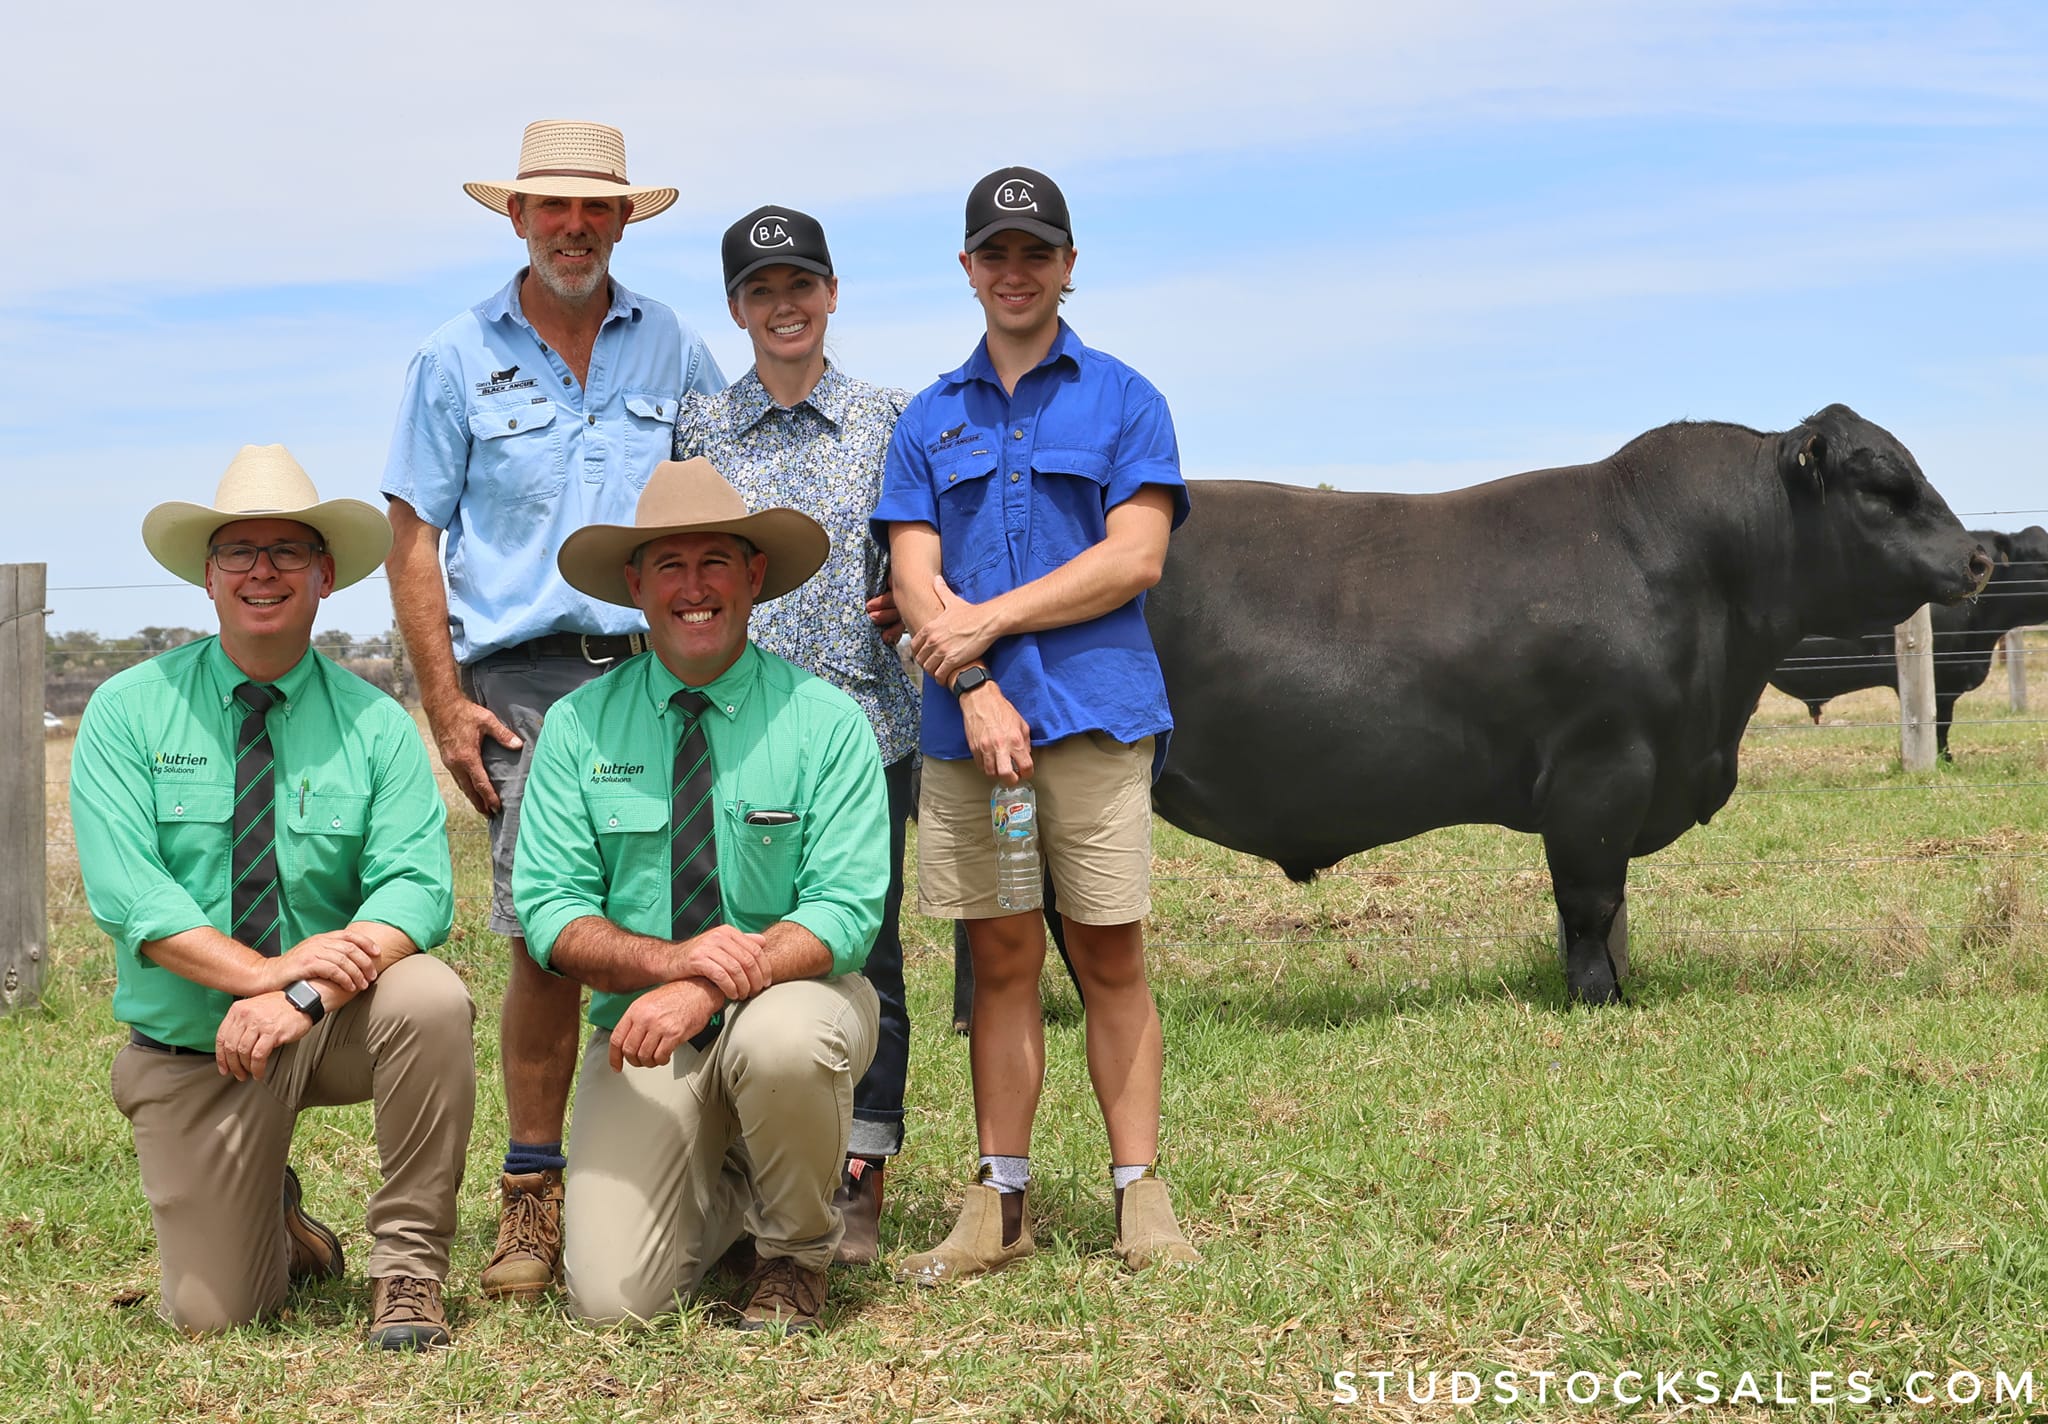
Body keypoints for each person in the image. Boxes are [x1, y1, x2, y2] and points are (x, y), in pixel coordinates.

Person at [379, 118, 725, 1301]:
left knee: (684, 896)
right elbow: (414, 532)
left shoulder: (673, 342)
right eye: (551, 207)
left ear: (624, 220)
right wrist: (444, 702)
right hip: (521, 680)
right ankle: (532, 1192)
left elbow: (720, 499)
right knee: (543, 928)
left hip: (656, 663)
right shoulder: (453, 353)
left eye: (596, 208)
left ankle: (687, 1166)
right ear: (515, 219)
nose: (573, 226)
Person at [70, 445, 475, 1349]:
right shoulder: (128, 710)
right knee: (220, 1317)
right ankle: (281, 1224)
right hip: (192, 1048)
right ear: (206, 577)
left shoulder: (374, 723)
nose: (263, 570)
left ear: (326, 576)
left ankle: (406, 1270)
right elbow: (132, 897)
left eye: (288, 551)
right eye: (239, 552)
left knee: (432, 1000)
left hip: (323, 1024)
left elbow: (417, 889)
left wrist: (302, 992)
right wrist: (263, 972)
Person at [874, 166, 1201, 1281]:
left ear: (1067, 265)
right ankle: (998, 1201)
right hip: (974, 736)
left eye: (1036, 253)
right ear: (966, 269)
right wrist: (973, 682)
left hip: (1095, 717)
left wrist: (986, 626)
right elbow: (911, 573)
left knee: (1111, 952)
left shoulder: (1124, 398)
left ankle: (1138, 1192)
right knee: (998, 957)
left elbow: (1134, 556)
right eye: (994, 255)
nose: (1014, 273)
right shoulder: (928, 418)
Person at [513, 457, 888, 1332]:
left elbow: (846, 910)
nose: (694, 588)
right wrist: (670, 964)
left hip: (798, 1004)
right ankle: (739, 1186)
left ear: (754, 576)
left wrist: (709, 981)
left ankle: (795, 1253)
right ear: (635, 584)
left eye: (715, 562)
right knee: (613, 1305)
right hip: (646, 1039)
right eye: (669, 566)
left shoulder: (825, 720)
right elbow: (550, 909)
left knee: (785, 1042)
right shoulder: (577, 727)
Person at [670, 204, 915, 1264]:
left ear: (830, 293)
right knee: (735, 931)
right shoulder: (698, 427)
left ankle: (854, 1168)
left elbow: (915, 546)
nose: (784, 306)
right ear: (734, 307)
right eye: (761, 290)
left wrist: (908, 598)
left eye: (800, 285)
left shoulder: (886, 417)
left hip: (863, 724)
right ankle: (741, 1162)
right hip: (731, 732)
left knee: (866, 949)